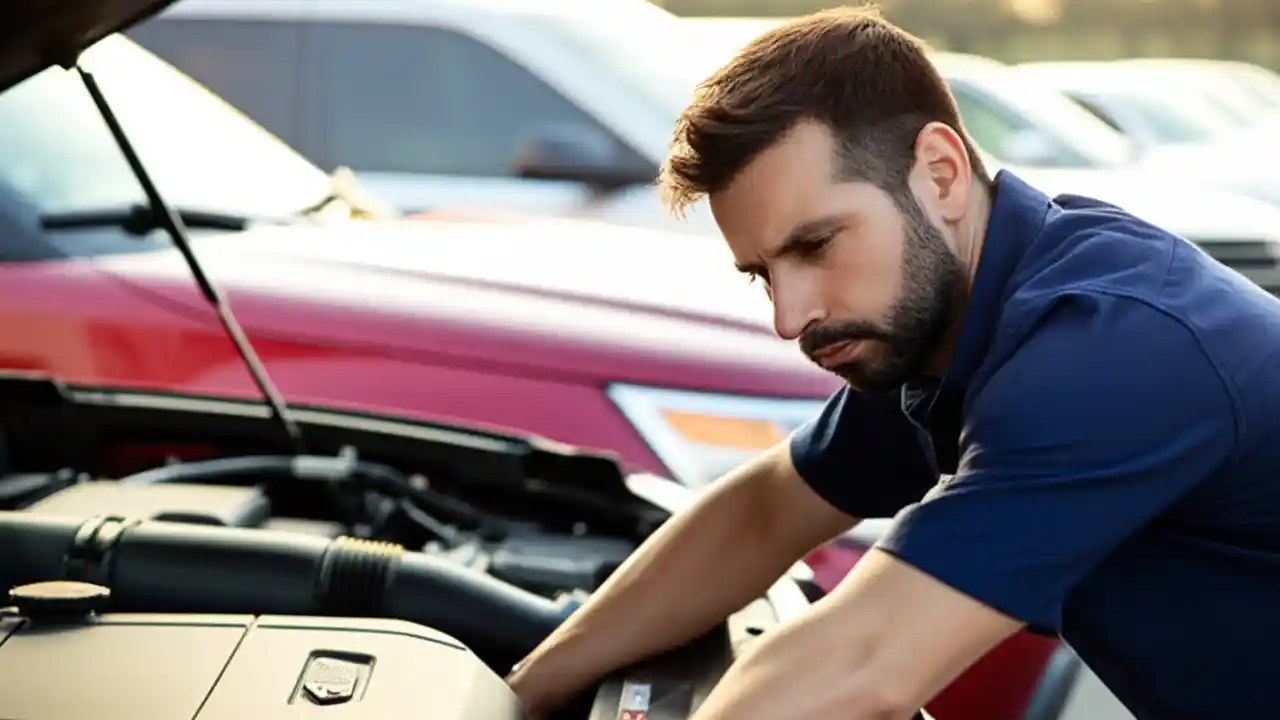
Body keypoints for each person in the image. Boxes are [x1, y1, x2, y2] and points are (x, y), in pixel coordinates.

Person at [505, 6, 1280, 719]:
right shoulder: (949, 321)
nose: (789, 316)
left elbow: (864, 669)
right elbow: (765, 513)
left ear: (939, 173)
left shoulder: (1110, 349)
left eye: (815, 245)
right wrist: (521, 694)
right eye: (763, 273)